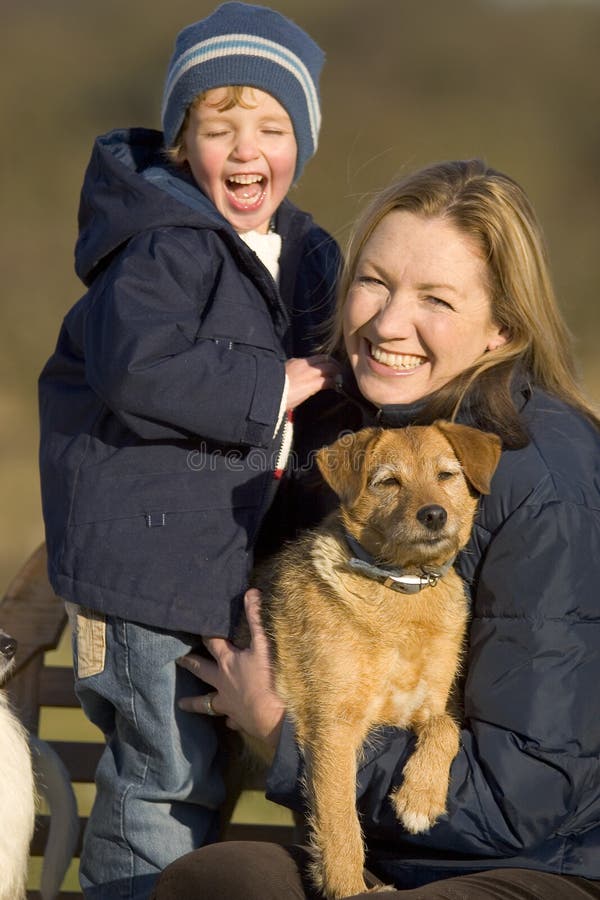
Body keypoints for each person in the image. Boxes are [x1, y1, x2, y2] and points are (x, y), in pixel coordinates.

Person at [150, 159, 600, 900]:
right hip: (381, 849)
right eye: (375, 282)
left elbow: (526, 795)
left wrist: (283, 729)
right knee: (216, 884)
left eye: (436, 299)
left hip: (538, 864)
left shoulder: (546, 480)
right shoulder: (340, 431)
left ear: (503, 329)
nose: (389, 324)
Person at [37, 3, 341, 897]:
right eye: (220, 126)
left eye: (273, 127)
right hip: (145, 576)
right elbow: (139, 366)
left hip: (210, 566)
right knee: (162, 777)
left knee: (204, 777)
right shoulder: (160, 247)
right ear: (181, 143)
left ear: (303, 141)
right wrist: (268, 387)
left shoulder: (297, 251)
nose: (248, 150)